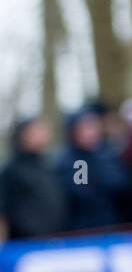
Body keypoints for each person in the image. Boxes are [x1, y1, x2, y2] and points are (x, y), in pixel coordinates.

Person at [54, 100, 131, 233]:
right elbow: (83, 191)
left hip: (115, 227)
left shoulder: (108, 154)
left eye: (94, 127)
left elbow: (122, 183)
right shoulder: (74, 160)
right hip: (85, 232)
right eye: (86, 128)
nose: (91, 133)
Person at [0, 115, 64, 240]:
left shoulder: (50, 165)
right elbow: (6, 209)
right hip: (27, 242)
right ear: (22, 135)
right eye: (35, 131)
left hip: (55, 238)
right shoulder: (12, 169)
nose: (41, 135)